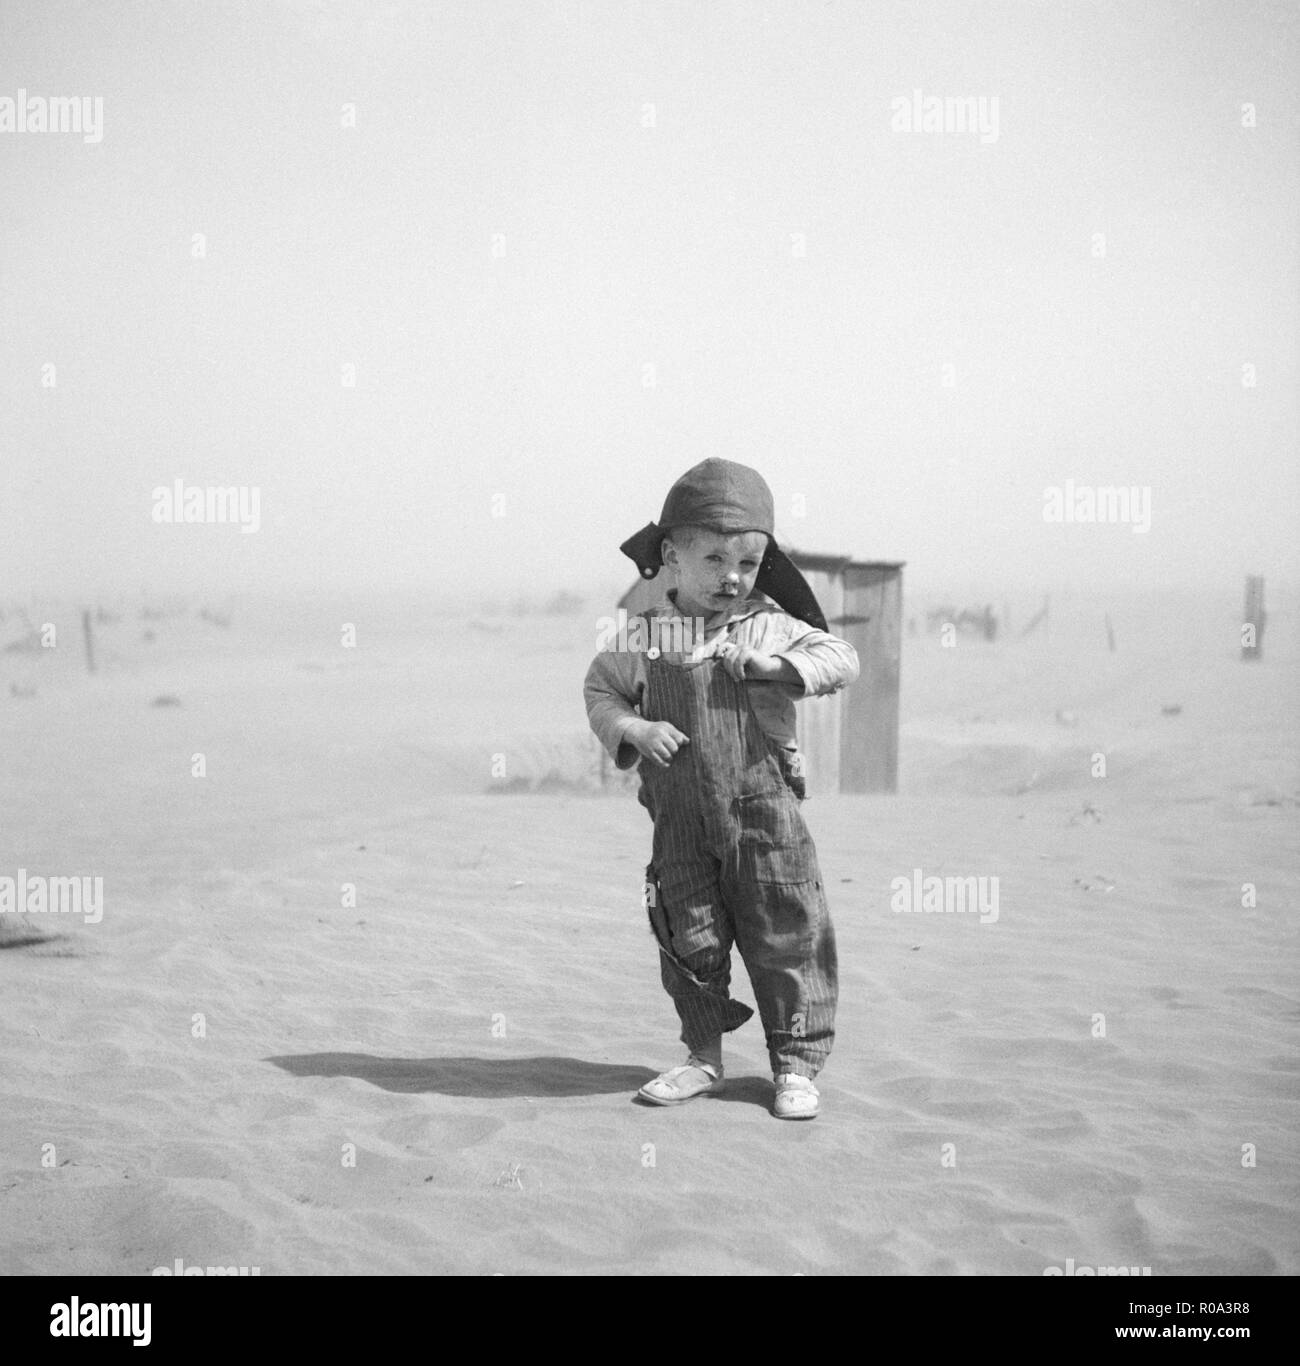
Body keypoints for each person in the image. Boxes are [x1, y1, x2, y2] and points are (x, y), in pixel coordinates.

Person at [584, 459, 858, 1119]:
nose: (732, 577)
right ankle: (703, 1060)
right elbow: (600, 688)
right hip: (679, 826)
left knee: (787, 936)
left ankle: (794, 1068)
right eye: (713, 559)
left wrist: (776, 667)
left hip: (766, 825)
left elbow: (841, 658)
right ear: (672, 557)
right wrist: (635, 726)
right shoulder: (645, 639)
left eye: (748, 562)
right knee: (690, 941)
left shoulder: (768, 626)